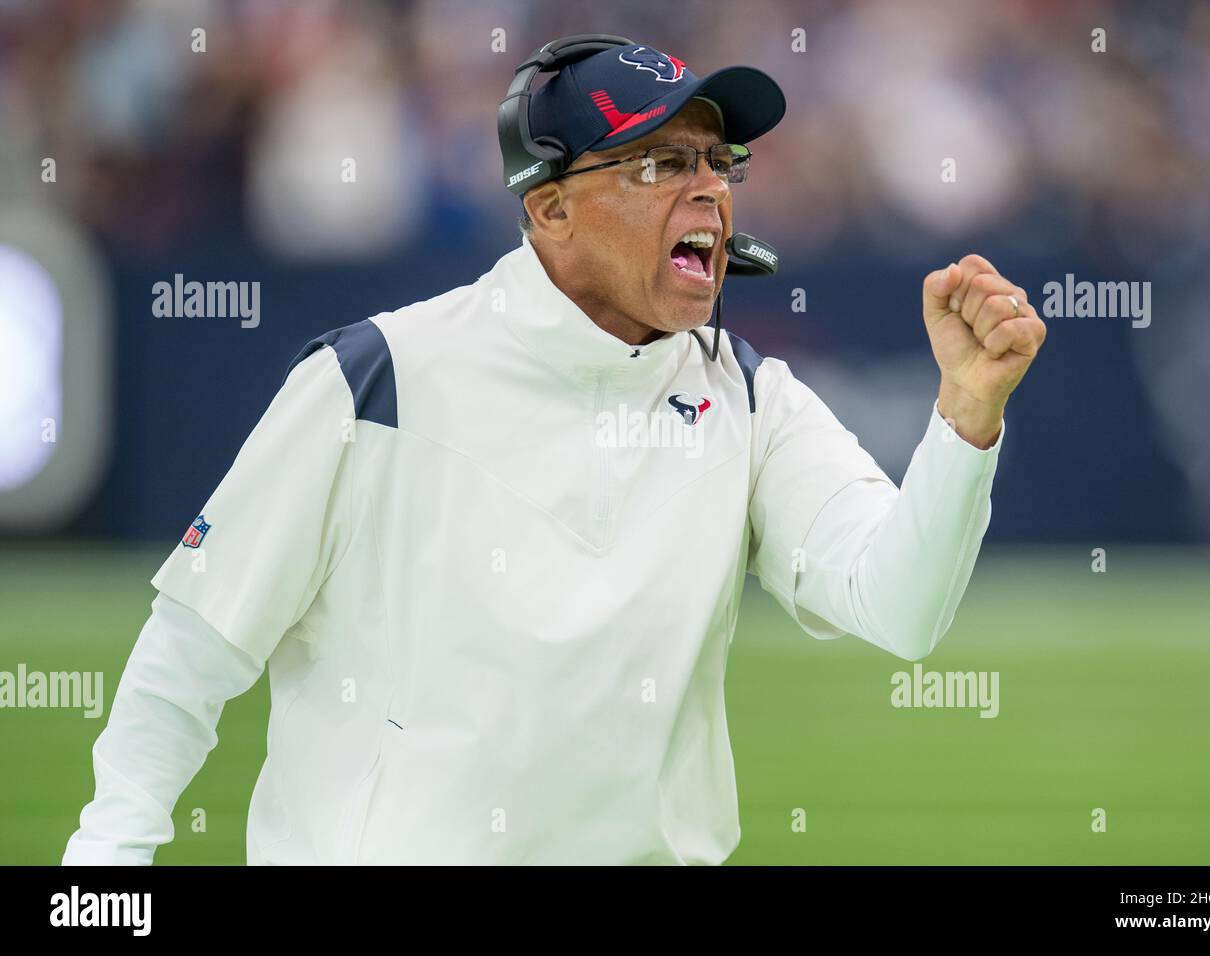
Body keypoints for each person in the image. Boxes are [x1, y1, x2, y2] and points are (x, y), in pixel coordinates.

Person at [64, 41, 1045, 865]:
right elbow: (191, 650)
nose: (709, 191)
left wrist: (964, 415)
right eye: (660, 164)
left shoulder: (749, 394)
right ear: (551, 208)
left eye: (717, 161)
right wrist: (105, 868)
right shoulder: (377, 378)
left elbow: (902, 607)